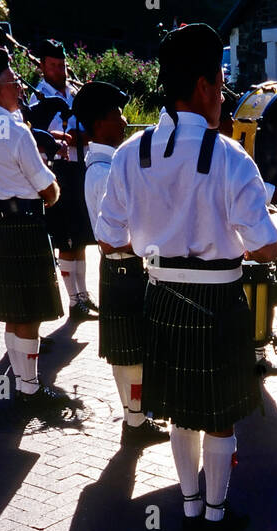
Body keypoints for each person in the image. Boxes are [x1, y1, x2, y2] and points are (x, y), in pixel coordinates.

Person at [96, 23, 277, 531]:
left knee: (180, 411)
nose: (223, 97)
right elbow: (266, 244)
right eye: (220, 85)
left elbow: (109, 236)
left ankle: (191, 507)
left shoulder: (131, 152)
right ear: (202, 86)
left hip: (163, 297)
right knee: (219, 414)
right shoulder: (230, 157)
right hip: (219, 297)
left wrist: (156, 244)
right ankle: (215, 516)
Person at [0, 49, 68, 416]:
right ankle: (29, 389)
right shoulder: (16, 130)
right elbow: (47, 187)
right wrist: (52, 189)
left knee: (14, 311)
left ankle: (24, 384)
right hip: (25, 222)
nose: (20, 87)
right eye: (13, 81)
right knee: (31, 314)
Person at [73, 81, 168, 446]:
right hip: (123, 266)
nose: (124, 120)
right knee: (132, 353)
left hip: (122, 269)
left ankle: (136, 415)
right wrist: (152, 245)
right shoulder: (102, 171)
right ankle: (135, 422)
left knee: (132, 349)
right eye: (116, 115)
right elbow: (108, 238)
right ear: (99, 125)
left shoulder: (107, 162)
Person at [30, 39, 96, 319]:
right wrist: (66, 138)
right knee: (67, 240)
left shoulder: (73, 92)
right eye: (54, 65)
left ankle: (83, 294)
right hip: (59, 172)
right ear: (43, 66)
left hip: (80, 168)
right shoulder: (37, 98)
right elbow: (38, 135)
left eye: (62, 65)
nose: (60, 70)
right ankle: (73, 299)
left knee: (80, 239)